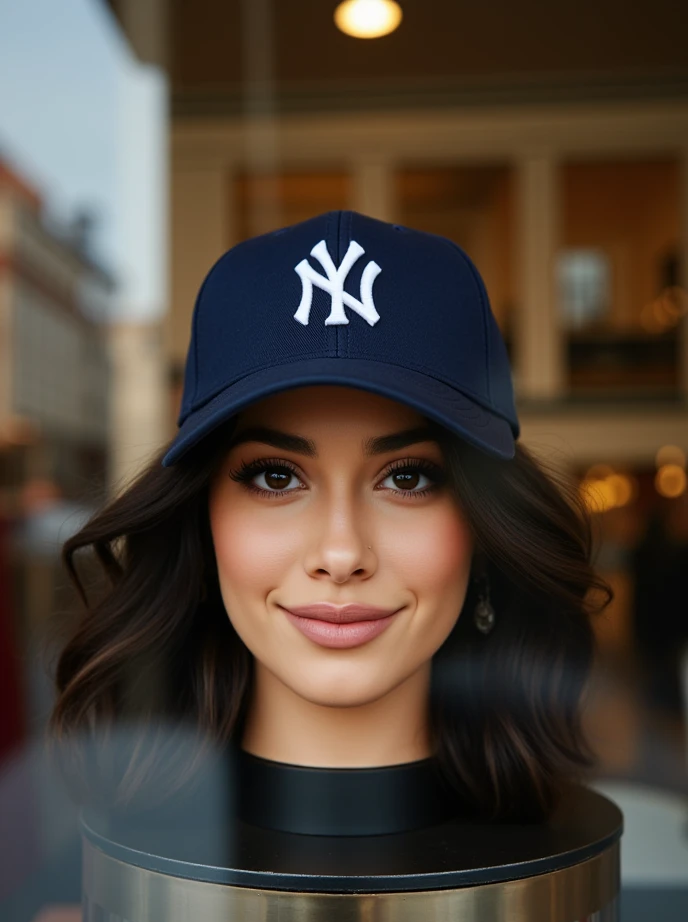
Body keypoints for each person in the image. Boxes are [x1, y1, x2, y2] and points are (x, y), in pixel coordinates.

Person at [50, 210, 611, 824]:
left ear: (485, 526)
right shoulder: (133, 878)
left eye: (407, 478)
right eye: (276, 477)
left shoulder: (562, 887)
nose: (341, 554)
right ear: (200, 519)